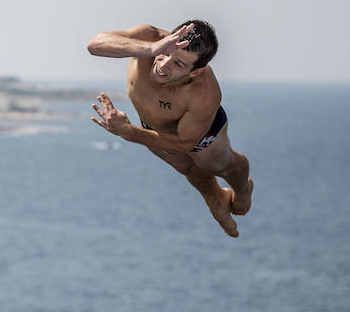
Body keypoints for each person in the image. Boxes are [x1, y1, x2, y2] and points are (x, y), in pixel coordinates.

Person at [86, 20, 253, 237]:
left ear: (195, 72)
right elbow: (95, 44)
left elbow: (186, 142)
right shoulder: (150, 39)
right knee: (187, 168)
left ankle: (243, 190)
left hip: (200, 132)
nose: (163, 65)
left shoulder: (204, 90)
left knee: (217, 166)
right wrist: (152, 48)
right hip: (155, 125)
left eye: (179, 65)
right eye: (167, 53)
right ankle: (216, 199)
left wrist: (129, 132)